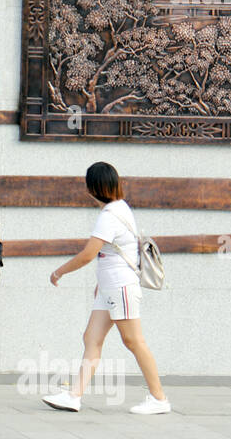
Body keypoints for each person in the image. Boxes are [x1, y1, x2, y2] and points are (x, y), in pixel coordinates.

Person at [42, 162, 171, 415]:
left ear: (93, 187)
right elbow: (111, 254)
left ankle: (159, 398)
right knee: (91, 338)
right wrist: (100, 286)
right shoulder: (119, 208)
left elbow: (88, 254)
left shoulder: (109, 215)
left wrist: (59, 272)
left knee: (133, 341)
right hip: (110, 288)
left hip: (120, 286)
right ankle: (73, 396)